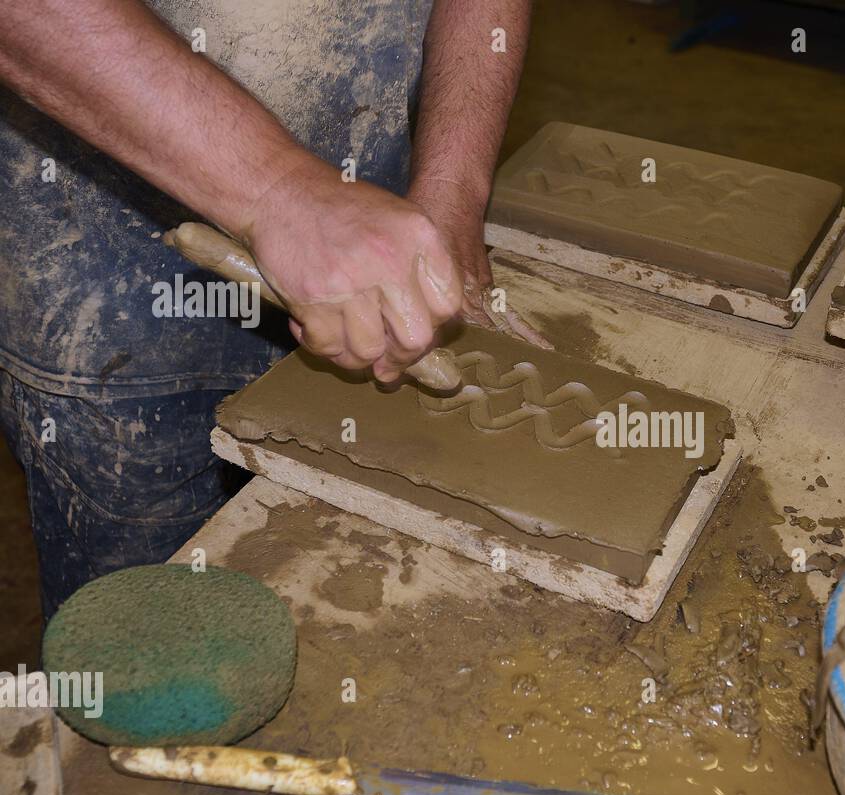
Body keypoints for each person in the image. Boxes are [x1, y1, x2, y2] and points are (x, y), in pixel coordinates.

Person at [0, 0, 534, 617]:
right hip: (106, 264)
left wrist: (451, 191)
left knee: (339, 589)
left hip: (363, 230)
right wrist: (278, 190)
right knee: (155, 633)